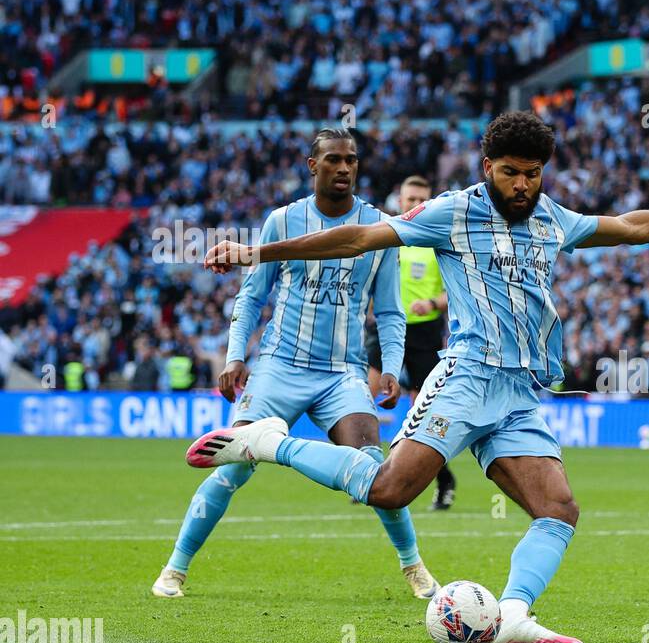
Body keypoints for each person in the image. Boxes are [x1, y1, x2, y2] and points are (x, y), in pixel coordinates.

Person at [190, 111, 649, 643]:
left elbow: (631, 226)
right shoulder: (452, 212)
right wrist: (258, 253)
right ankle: (268, 442)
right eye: (510, 172)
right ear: (487, 168)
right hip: (465, 379)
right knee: (389, 490)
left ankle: (513, 614)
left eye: (532, 174)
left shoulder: (552, 217)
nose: (521, 185)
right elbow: (362, 238)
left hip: (518, 392)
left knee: (558, 509)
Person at [151, 128, 437, 601]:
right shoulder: (282, 221)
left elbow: (388, 309)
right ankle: (175, 569)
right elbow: (252, 293)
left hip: (342, 372)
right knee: (234, 466)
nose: (344, 168)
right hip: (279, 366)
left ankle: (414, 568)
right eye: (333, 160)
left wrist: (391, 366)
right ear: (313, 166)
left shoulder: (379, 228)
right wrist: (235, 355)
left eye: (351, 160)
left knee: (373, 465)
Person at [366, 175, 458, 510]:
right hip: (387, 329)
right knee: (365, 396)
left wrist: (433, 304)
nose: (414, 203)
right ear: (399, 200)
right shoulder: (388, 237)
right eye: (409, 199)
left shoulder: (437, 241)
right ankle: (366, 474)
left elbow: (456, 289)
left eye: (421, 198)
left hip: (424, 333)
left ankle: (443, 478)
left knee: (423, 415)